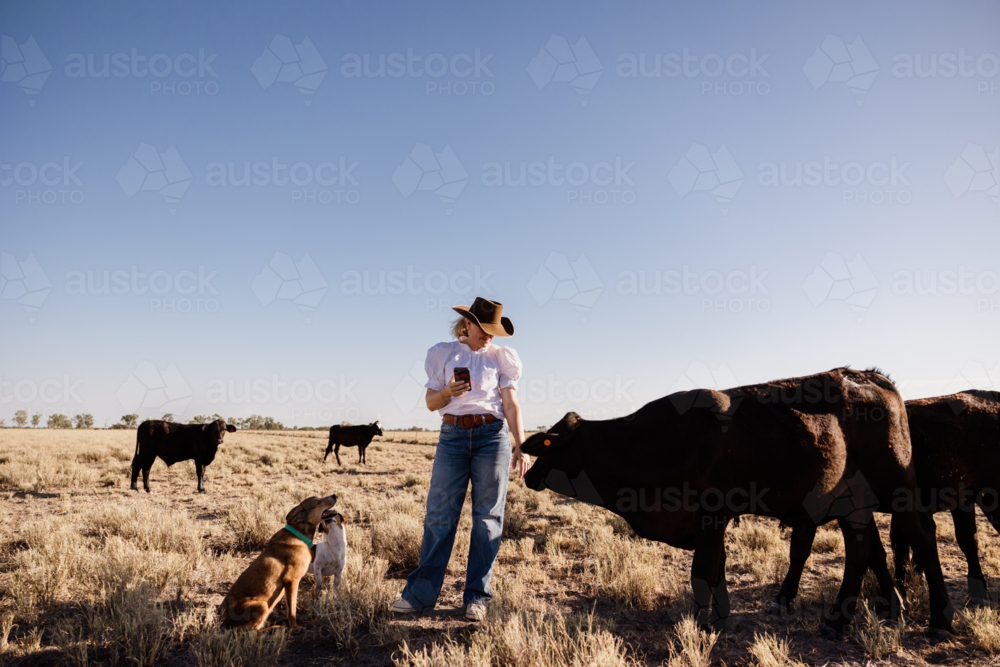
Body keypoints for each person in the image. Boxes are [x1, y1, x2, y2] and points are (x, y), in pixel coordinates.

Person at [391, 297, 530, 621]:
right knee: (439, 516)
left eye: (494, 332)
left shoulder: (502, 357)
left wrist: (521, 445)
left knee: (487, 519)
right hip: (452, 437)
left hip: (491, 437)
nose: (489, 337)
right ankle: (419, 596)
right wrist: (448, 393)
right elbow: (430, 402)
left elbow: (511, 405)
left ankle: (476, 598)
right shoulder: (442, 353)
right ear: (468, 324)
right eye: (484, 329)